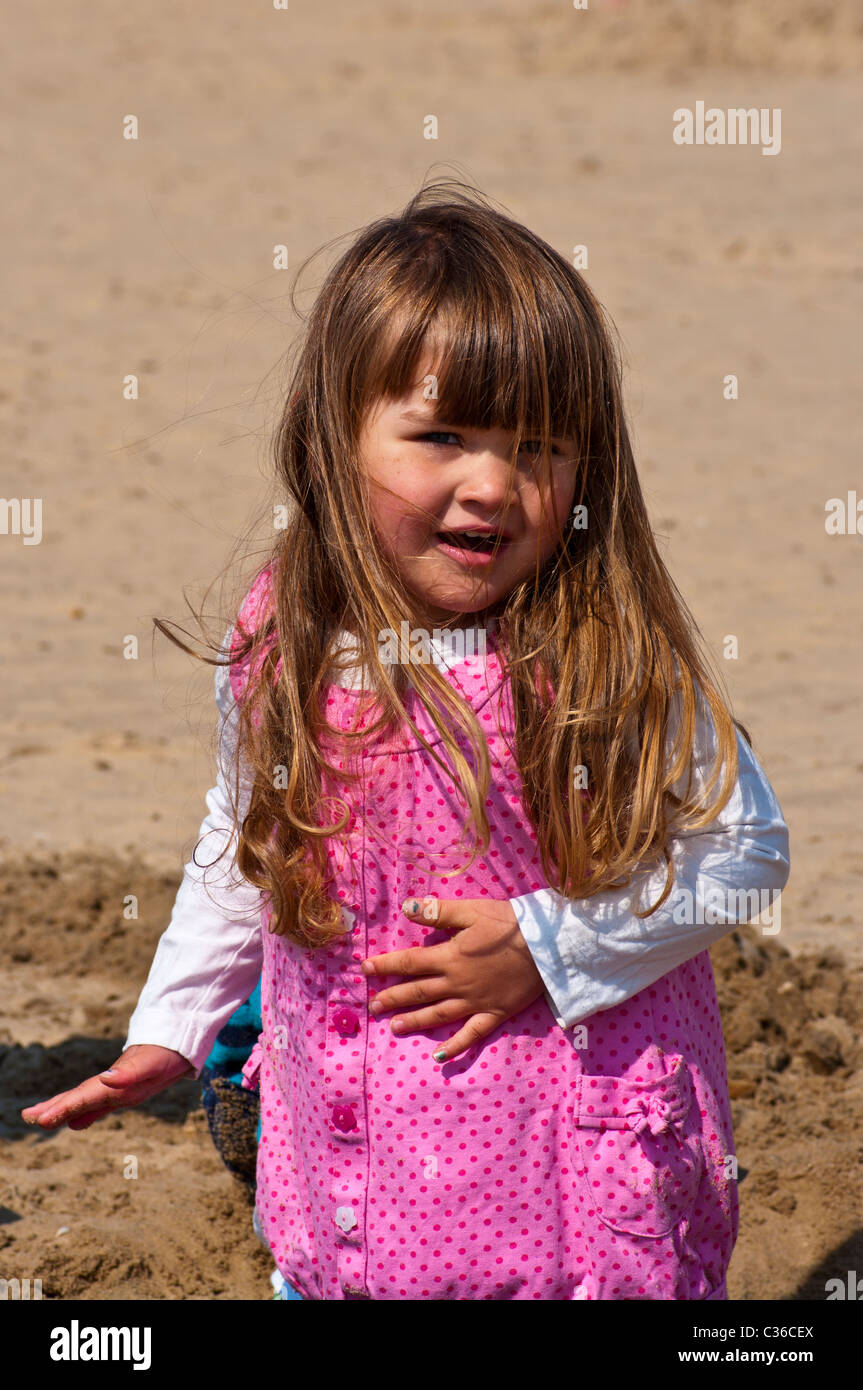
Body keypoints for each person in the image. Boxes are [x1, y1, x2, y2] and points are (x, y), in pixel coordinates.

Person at [22, 177, 790, 1301]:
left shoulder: (599, 652)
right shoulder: (284, 635)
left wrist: (547, 945)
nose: (492, 485)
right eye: (440, 437)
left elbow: (744, 855)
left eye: (538, 447)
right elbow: (245, 837)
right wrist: (173, 1023)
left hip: (571, 1206)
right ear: (336, 439)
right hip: (348, 1187)